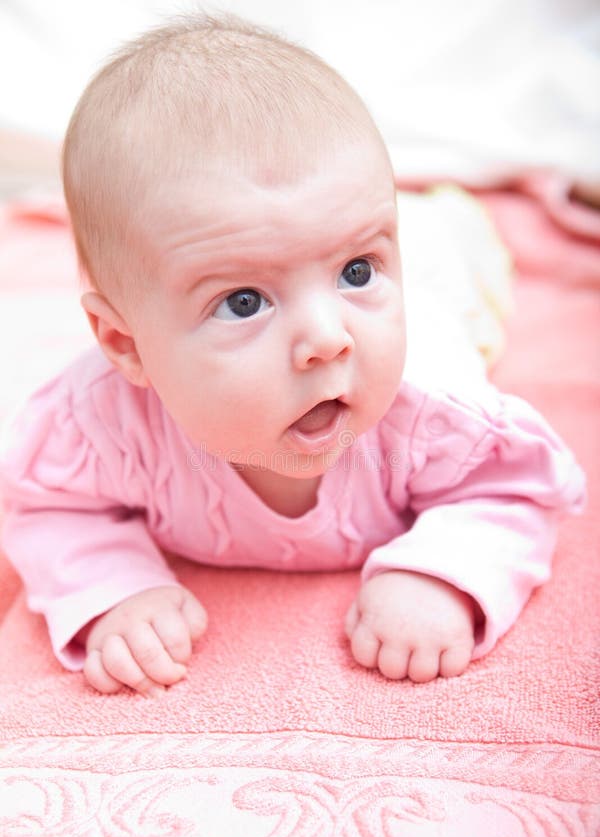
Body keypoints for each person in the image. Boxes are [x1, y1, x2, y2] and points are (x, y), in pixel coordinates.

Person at [0, 13, 585, 697]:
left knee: (454, 264)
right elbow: (46, 508)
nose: (327, 339)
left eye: (359, 268)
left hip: (438, 300)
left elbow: (515, 486)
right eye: (244, 301)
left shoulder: (431, 412)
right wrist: (111, 588)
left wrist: (443, 570)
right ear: (126, 344)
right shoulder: (97, 428)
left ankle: (436, 225)